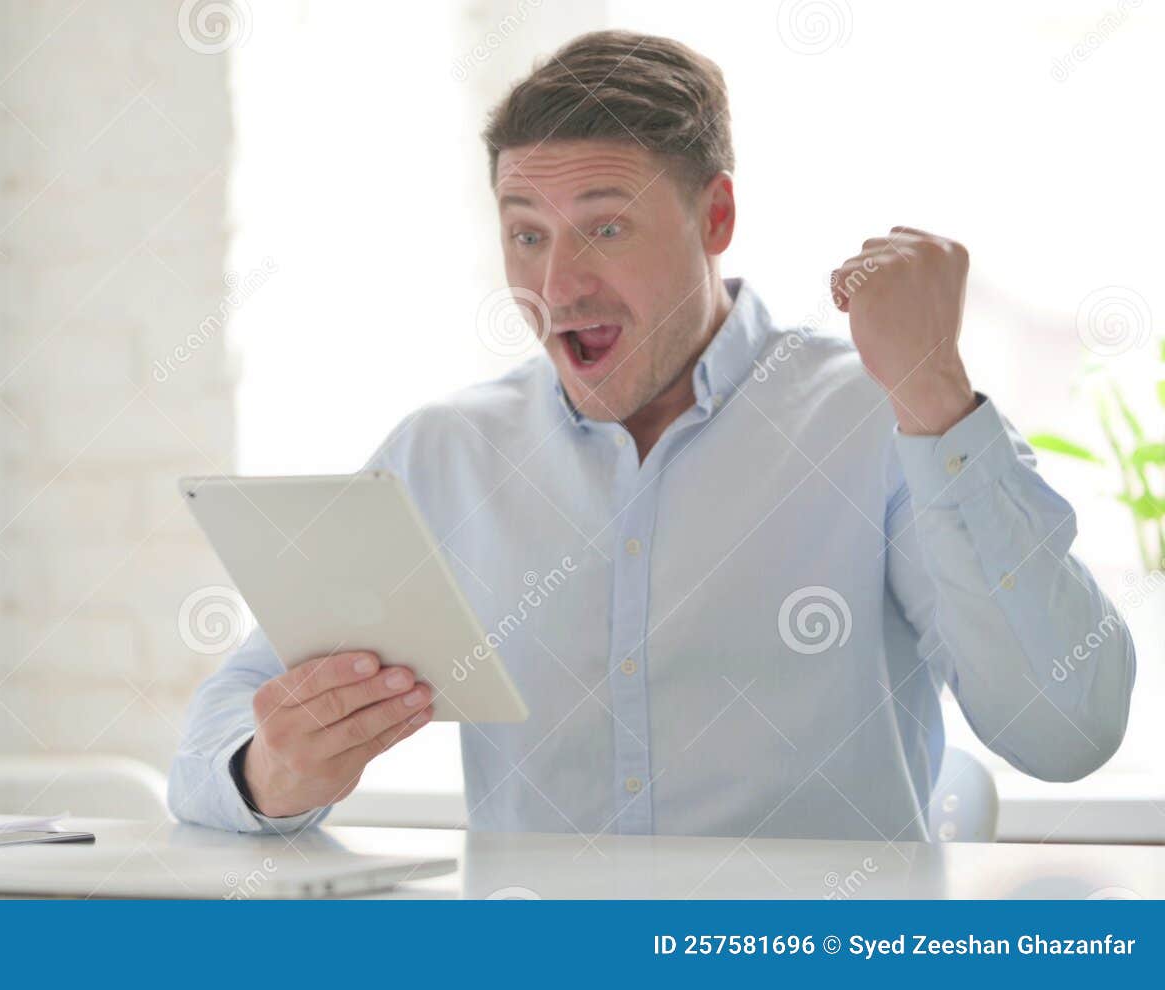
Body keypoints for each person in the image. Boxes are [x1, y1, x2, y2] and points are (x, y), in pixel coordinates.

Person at [167, 30, 1135, 840]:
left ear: (713, 216)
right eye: (527, 233)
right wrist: (271, 772)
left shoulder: (881, 419)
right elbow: (218, 734)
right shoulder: (447, 452)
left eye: (607, 228)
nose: (558, 288)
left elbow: (1066, 729)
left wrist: (935, 393)